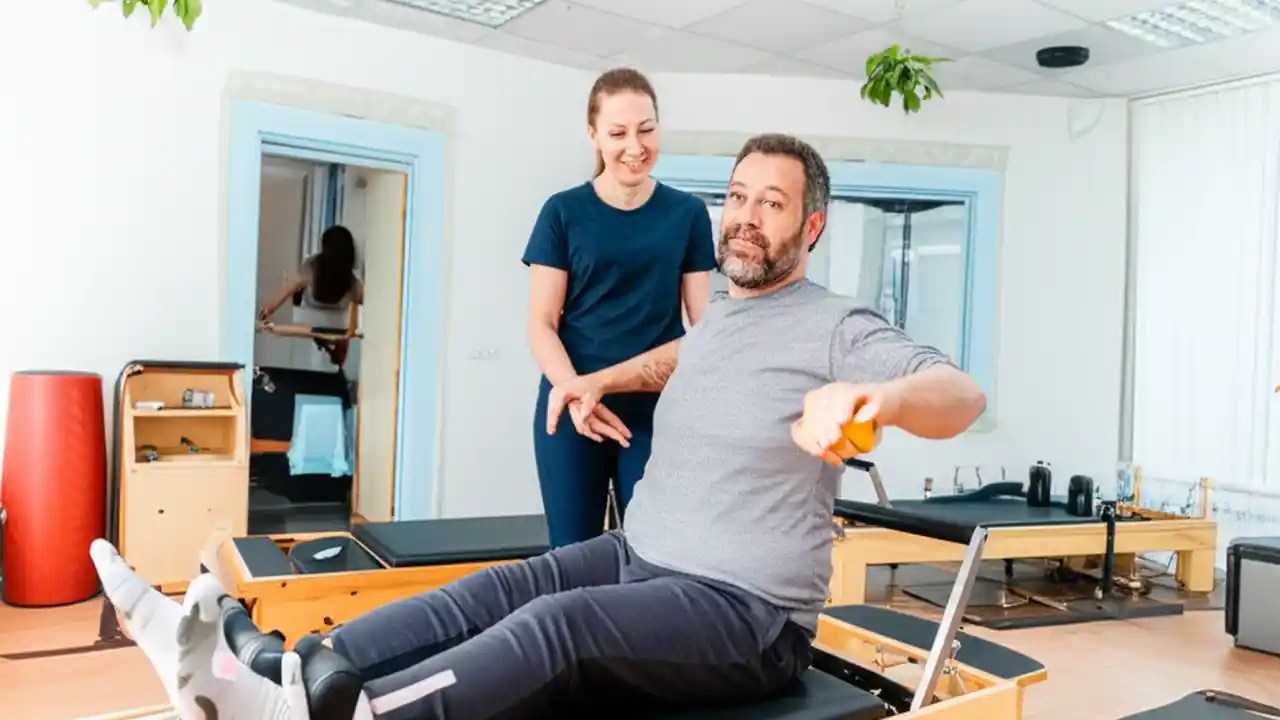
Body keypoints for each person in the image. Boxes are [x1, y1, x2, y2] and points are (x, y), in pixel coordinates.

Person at [90, 132, 987, 720]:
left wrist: (877, 403)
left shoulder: (835, 324)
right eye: (738, 196)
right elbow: (681, 360)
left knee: (559, 627)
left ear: (812, 225)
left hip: (746, 612)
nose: (746, 217)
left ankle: (342, 718)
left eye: (772, 203)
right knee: (497, 589)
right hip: (645, 553)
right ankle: (293, 666)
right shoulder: (724, 315)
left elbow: (956, 391)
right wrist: (594, 376)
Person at [524, 67, 717, 547]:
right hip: (572, 409)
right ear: (594, 136)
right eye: (618, 133)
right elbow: (542, 323)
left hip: (655, 409)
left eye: (647, 129)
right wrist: (576, 392)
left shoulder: (687, 215)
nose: (636, 146)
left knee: (651, 555)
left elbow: (706, 327)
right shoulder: (562, 212)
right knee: (572, 558)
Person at [259, 224, 365, 367]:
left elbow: (282, 294)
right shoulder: (351, 281)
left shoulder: (312, 266)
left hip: (305, 334)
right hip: (336, 335)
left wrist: (263, 316)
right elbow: (369, 302)